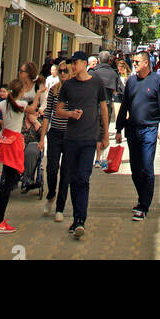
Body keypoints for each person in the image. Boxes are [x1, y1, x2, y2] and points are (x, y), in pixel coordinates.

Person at [55, 51, 109, 238]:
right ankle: (77, 218)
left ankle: (80, 220)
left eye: (75, 63)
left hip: (88, 139)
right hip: (71, 139)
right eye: (71, 63)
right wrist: (70, 114)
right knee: (73, 178)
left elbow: (103, 108)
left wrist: (105, 135)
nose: (72, 66)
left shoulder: (97, 83)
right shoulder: (68, 85)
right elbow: (58, 110)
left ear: (85, 64)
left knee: (83, 178)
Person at [115, 50, 160, 219]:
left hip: (150, 129)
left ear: (146, 63)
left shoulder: (157, 81)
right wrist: (118, 129)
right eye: (134, 62)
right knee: (135, 169)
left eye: (137, 62)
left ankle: (144, 205)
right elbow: (125, 105)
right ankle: (142, 197)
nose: (134, 64)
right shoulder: (131, 81)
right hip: (132, 130)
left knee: (146, 167)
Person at [0, 79, 29, 233]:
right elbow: (34, 109)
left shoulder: (4, 104)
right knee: (8, 184)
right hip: (14, 144)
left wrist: (0, 122)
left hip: (5, 142)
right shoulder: (22, 105)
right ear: (21, 92)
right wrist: (39, 94)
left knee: (7, 181)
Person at [39, 60, 71, 222]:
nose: (63, 74)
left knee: (66, 172)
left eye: (66, 71)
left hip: (70, 135)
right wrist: (42, 138)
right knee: (52, 168)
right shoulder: (54, 90)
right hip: (55, 133)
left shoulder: (75, 90)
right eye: (61, 71)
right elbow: (47, 114)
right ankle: (51, 193)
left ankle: (60, 208)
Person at [93, 50, 122, 128]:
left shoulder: (93, 72)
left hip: (93, 106)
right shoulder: (113, 74)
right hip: (106, 106)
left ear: (98, 60)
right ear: (109, 60)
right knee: (104, 130)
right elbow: (117, 91)